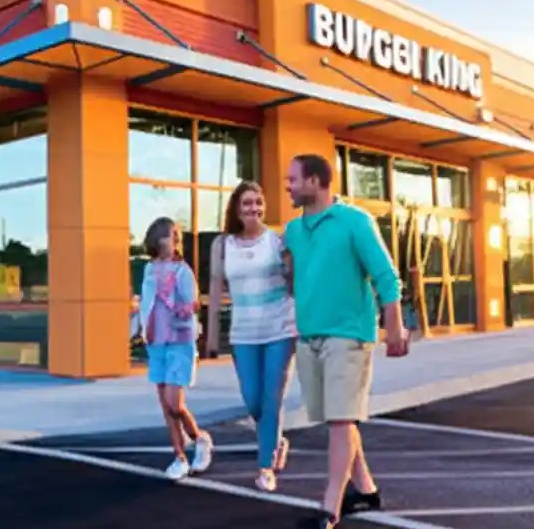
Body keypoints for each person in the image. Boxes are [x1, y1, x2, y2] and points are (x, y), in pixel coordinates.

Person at [282, 154, 409, 529]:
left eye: (293, 179)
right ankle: (365, 490)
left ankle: (330, 509)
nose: (287, 185)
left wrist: (394, 328)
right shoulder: (292, 230)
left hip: (348, 336)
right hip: (310, 336)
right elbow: (292, 278)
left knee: (341, 420)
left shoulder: (355, 221)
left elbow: (385, 276)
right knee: (338, 420)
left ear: (316, 181)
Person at [207, 181, 297, 492]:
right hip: (243, 333)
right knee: (253, 401)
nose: (254, 208)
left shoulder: (277, 240)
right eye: (247, 203)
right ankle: (275, 440)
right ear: (236, 208)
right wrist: (211, 334)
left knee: (271, 399)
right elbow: (216, 289)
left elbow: (293, 282)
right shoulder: (223, 245)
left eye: (258, 202)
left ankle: (265, 467)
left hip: (280, 329)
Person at [138, 216, 214, 480]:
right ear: (158, 239)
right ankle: (179, 456)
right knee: (165, 406)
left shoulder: (183, 271)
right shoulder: (149, 270)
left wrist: (180, 308)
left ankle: (200, 438)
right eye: (172, 234)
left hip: (179, 342)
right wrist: (140, 327)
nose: (176, 239)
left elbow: (193, 303)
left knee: (175, 403)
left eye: (178, 235)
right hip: (156, 343)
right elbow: (145, 304)